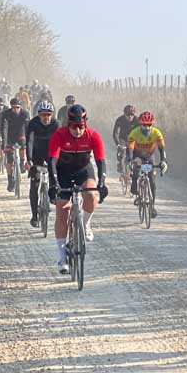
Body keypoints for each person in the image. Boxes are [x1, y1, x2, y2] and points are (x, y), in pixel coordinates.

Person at [47, 104, 107, 272]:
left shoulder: (93, 136)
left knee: (92, 195)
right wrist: (53, 184)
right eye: (74, 127)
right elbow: (52, 161)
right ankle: (61, 256)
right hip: (63, 172)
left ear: (85, 124)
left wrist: (102, 184)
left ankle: (86, 224)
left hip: (83, 171)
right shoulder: (59, 135)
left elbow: (101, 162)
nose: (78, 131)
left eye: (81, 127)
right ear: (68, 124)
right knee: (61, 210)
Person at [127, 110, 167, 217]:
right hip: (137, 155)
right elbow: (130, 148)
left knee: (152, 180)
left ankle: (152, 207)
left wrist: (163, 161)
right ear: (140, 124)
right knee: (137, 167)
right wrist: (130, 160)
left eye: (149, 125)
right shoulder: (134, 132)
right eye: (144, 125)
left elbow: (162, 149)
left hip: (149, 156)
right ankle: (134, 185)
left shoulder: (156, 133)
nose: (147, 128)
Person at [26, 101, 59, 227]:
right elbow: (29, 141)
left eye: (48, 115)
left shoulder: (56, 124)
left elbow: (61, 142)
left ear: (52, 115)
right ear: (39, 115)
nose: (46, 117)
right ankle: (34, 215)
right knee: (34, 185)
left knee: (55, 174)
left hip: (51, 153)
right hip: (36, 154)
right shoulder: (33, 123)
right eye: (43, 115)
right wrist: (29, 160)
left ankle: (52, 194)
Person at [0, 97, 30, 193]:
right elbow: (4, 128)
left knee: (23, 143)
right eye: (13, 108)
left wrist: (29, 140)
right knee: (10, 160)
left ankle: (21, 162)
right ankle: (10, 180)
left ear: (20, 107)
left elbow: (28, 128)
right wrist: (4, 141)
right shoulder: (6, 114)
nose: (15, 110)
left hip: (21, 134)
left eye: (17, 107)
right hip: (9, 136)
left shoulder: (25, 114)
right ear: (11, 107)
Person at [112, 104, 137, 177]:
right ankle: (120, 163)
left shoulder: (137, 120)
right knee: (122, 151)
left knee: (134, 153)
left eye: (132, 114)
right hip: (123, 138)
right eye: (128, 114)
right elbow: (115, 133)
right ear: (124, 114)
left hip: (133, 139)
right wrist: (118, 144)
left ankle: (133, 168)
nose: (130, 116)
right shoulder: (119, 120)